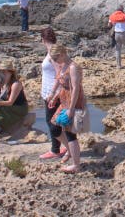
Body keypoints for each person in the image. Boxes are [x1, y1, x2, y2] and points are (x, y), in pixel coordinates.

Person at [48, 44, 85, 174]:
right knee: (54, 127)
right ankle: (70, 151)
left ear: (62, 54)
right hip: (63, 101)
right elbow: (60, 83)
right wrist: (54, 96)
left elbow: (75, 88)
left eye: (56, 58)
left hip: (72, 103)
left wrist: (71, 108)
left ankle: (76, 165)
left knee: (70, 133)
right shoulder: (63, 65)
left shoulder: (73, 67)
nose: (55, 61)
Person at [38, 27, 66, 159]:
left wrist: (54, 94)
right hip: (50, 92)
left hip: (53, 93)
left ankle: (58, 149)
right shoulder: (52, 51)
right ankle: (60, 147)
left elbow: (59, 74)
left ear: (42, 39)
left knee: (52, 123)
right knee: (55, 122)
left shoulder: (52, 53)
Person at [0, 60, 28, 140]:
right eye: (0, 72)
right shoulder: (0, 83)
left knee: (2, 108)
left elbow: (10, 102)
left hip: (19, 107)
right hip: (6, 105)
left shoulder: (15, 84)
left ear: (11, 73)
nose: (2, 74)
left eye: (4, 72)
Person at [109, 5, 125, 69]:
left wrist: (114, 24)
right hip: (124, 34)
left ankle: (118, 65)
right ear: (122, 10)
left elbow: (109, 25)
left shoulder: (112, 16)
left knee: (118, 50)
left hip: (117, 34)